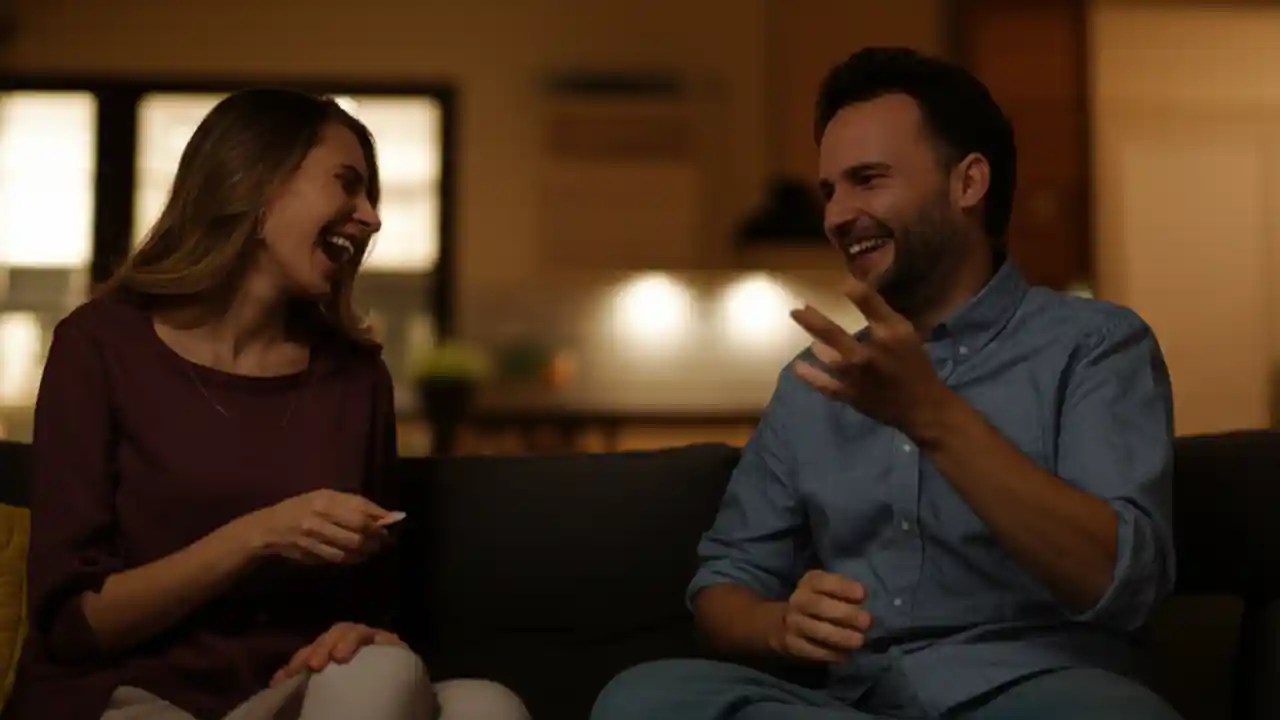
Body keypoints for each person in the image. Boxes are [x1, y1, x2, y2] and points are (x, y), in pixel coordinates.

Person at [592, 47, 1182, 720]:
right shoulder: (811, 381)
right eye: (829, 191)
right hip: (852, 704)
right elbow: (725, 587)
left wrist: (931, 414)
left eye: (867, 180)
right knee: (643, 699)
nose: (838, 216)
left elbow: (1121, 582)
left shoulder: (1095, 345)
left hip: (1033, 692)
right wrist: (777, 624)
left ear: (968, 183)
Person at [7, 89, 528, 720]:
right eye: (347, 185)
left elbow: (370, 600)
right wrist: (259, 534)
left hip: (287, 697)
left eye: (371, 198)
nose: (371, 218)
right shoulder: (99, 346)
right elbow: (73, 625)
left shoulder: (356, 378)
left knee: (486, 706)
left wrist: (359, 633)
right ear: (255, 183)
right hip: (130, 698)